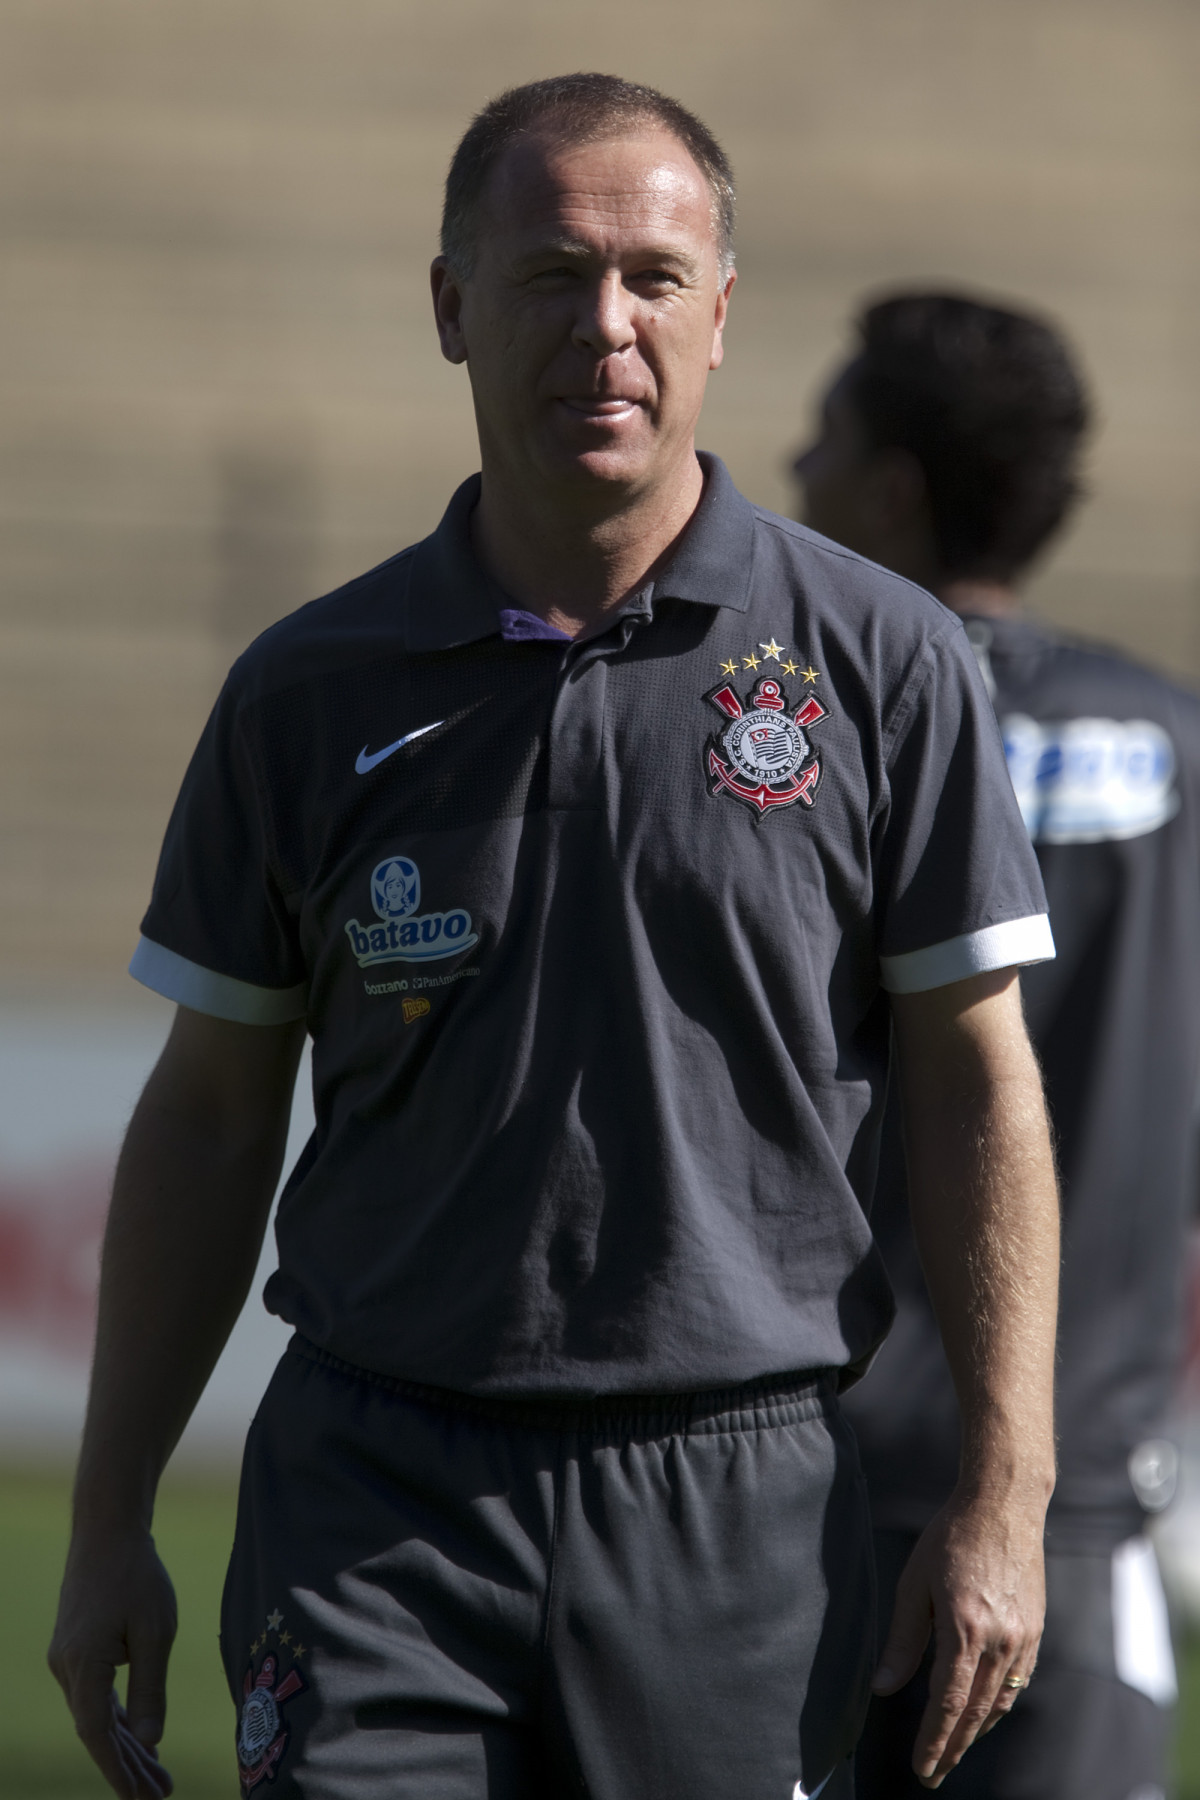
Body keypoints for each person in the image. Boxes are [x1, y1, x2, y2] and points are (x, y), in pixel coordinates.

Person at [50, 82, 1060, 1800]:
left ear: (722, 315)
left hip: (733, 1496)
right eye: (550, 275)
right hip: (374, 1500)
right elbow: (211, 1115)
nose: (607, 328)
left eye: (655, 278)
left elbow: (982, 1093)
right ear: (451, 302)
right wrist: (108, 1517)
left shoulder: (884, 664)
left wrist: (1004, 1497)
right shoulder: (306, 691)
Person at [794, 290, 1200, 1800]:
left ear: (893, 487)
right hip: (1073, 1515)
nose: (791, 463)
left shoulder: (801, 742)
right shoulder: (1178, 745)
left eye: (823, 436)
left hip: (793, 1495)